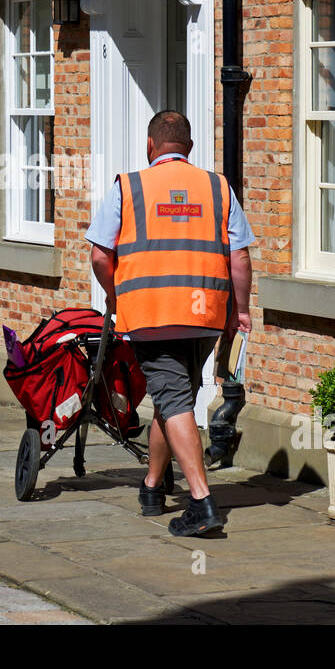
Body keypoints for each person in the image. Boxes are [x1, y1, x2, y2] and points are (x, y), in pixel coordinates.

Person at [85, 110, 255, 536]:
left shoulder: (128, 186)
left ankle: (201, 501)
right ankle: (152, 486)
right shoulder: (218, 187)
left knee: (174, 398)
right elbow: (240, 256)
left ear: (149, 145)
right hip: (204, 315)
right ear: (190, 148)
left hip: (151, 314)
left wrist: (114, 293)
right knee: (175, 395)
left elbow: (99, 255)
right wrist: (242, 309)